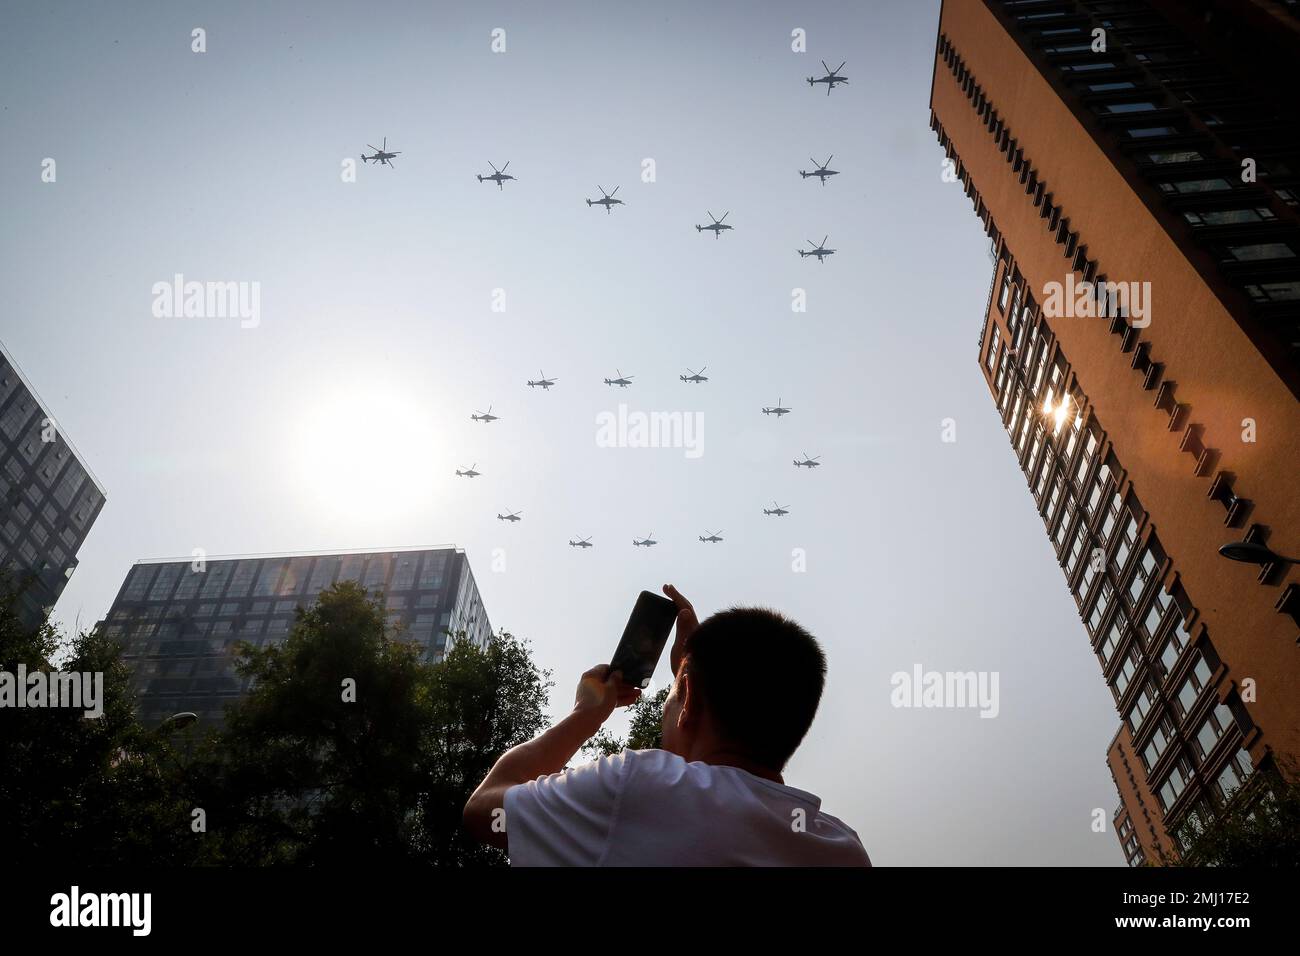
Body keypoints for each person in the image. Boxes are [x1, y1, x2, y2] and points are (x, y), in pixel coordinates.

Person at [463, 584, 871, 866]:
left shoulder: (635, 786)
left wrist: (584, 716)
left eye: (673, 695)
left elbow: (484, 808)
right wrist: (689, 683)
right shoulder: (842, 848)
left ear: (689, 700)